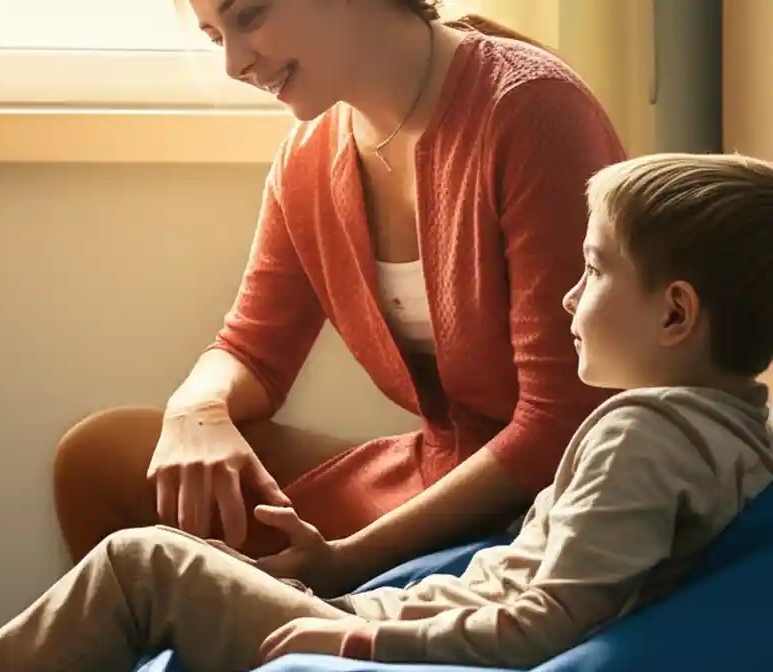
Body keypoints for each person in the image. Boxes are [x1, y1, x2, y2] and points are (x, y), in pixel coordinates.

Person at [0, 151, 773, 672]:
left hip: (399, 651)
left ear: (675, 314)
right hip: (409, 620)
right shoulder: (736, 431)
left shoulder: (639, 435)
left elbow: (546, 625)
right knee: (176, 551)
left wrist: (357, 640)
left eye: (593, 268)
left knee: (140, 565)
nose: (569, 296)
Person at [53, 0, 628, 593]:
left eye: (248, 16)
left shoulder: (531, 109)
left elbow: (562, 423)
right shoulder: (309, 157)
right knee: (100, 459)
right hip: (434, 477)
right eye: (214, 37)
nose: (233, 64)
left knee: (212, 572)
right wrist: (196, 410)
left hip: (547, 508)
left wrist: (347, 560)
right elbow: (252, 350)